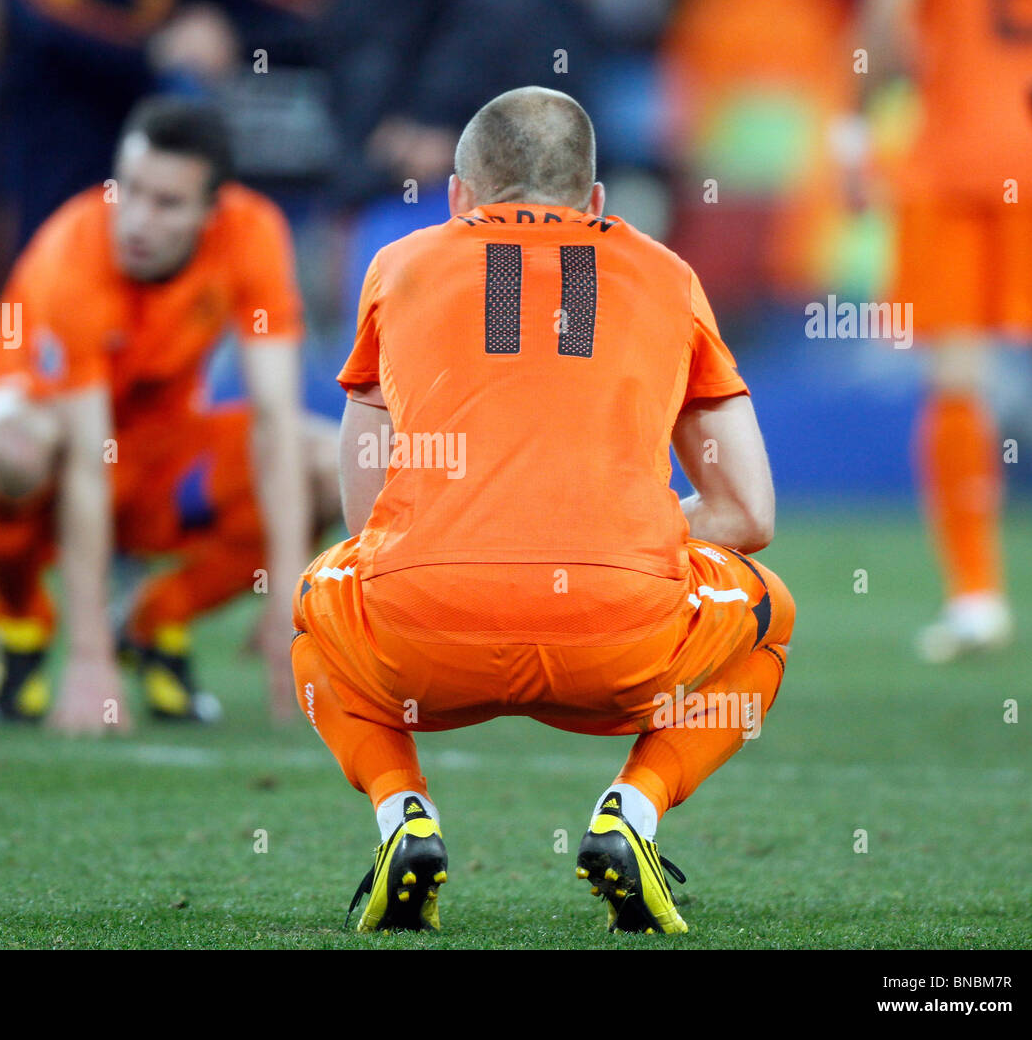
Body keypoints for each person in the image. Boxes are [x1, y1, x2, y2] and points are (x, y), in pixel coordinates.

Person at [291, 87, 794, 935]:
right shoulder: (670, 277)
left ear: (459, 197)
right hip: (619, 636)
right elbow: (748, 511)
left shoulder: (398, 266)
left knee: (315, 612)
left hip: (425, 632)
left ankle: (402, 819)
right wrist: (630, 530)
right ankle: (631, 813)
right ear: (596, 202)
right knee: (768, 618)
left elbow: (365, 511)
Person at [0, 95, 338, 732]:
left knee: (333, 460)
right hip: (55, 451)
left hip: (151, 455)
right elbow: (88, 464)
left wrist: (291, 601)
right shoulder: (75, 252)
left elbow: (275, 419)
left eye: (167, 203)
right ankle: (22, 620)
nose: (138, 220)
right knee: (8, 445)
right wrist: (90, 663)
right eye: (132, 191)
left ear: (212, 211)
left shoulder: (252, 232)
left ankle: (155, 620)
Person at [856, 0, 1032, 661]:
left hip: (957, 160)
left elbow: (887, 15)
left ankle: (975, 596)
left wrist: (851, 125)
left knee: (956, 376)